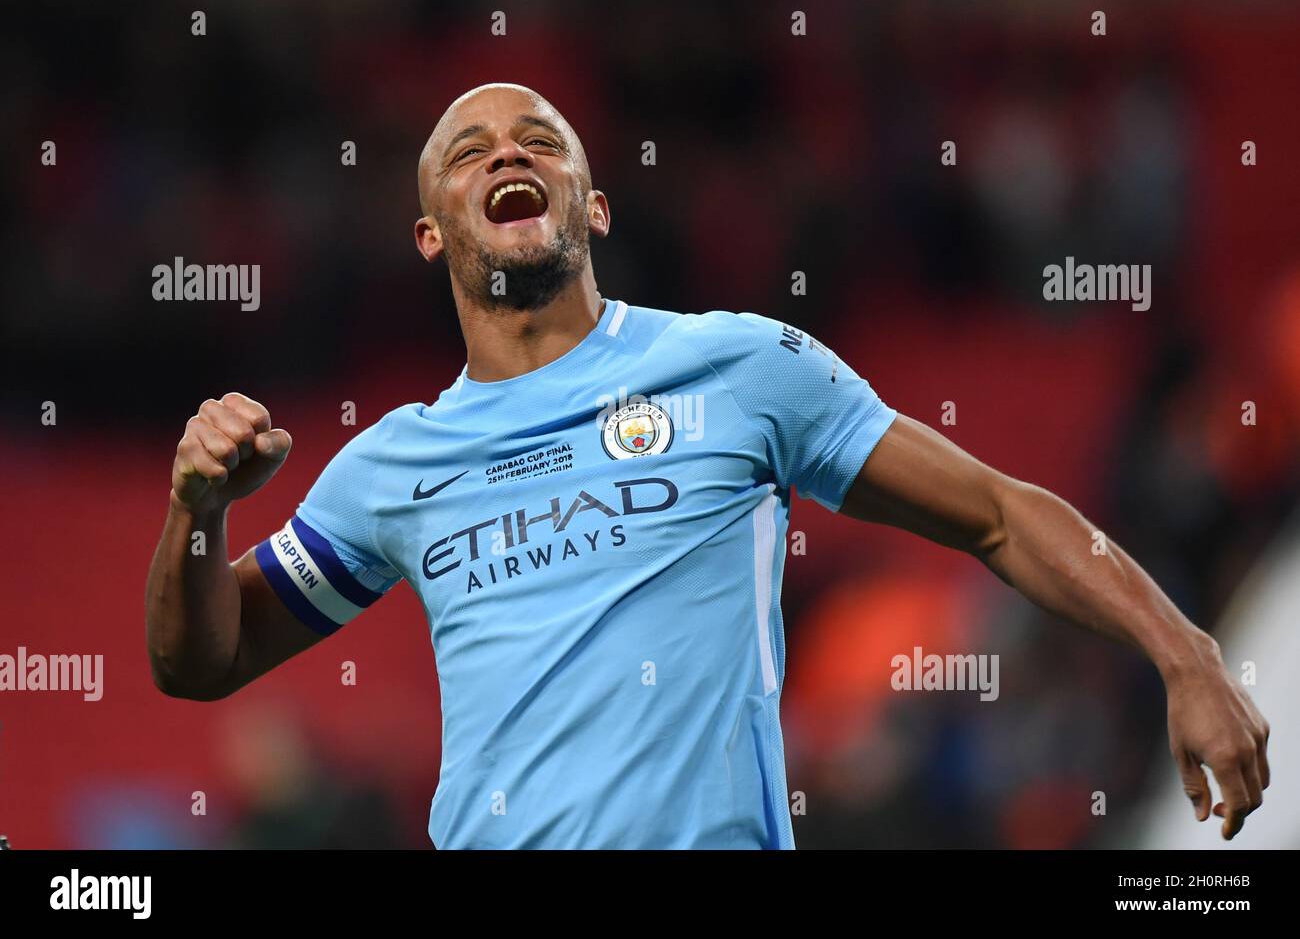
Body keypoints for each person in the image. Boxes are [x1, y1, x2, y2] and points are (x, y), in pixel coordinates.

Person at [145, 83, 1269, 849]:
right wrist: (197, 511)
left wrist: (1185, 652)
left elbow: (993, 513)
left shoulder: (736, 366)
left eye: (540, 140)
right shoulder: (394, 462)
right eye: (467, 150)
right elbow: (204, 658)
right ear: (432, 231)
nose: (506, 152)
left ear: (591, 203)